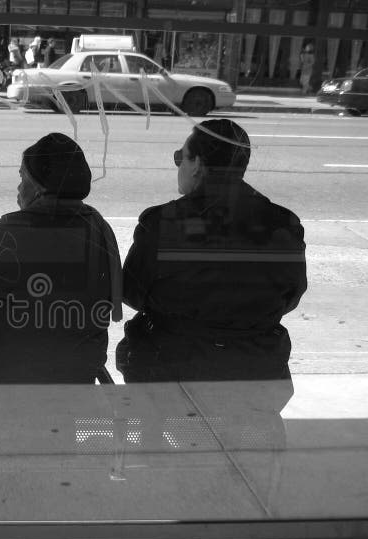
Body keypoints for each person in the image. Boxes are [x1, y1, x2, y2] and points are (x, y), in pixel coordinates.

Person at [116, 119, 306, 384]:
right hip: (256, 375)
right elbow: (291, 297)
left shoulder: (162, 224)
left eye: (179, 157)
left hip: (168, 376)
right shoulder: (282, 223)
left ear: (197, 165)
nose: (178, 165)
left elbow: (132, 294)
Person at [0, 132, 123, 384]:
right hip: (72, 379)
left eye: (22, 177)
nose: (19, 187)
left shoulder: (5, 235)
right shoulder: (100, 230)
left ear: (40, 187)